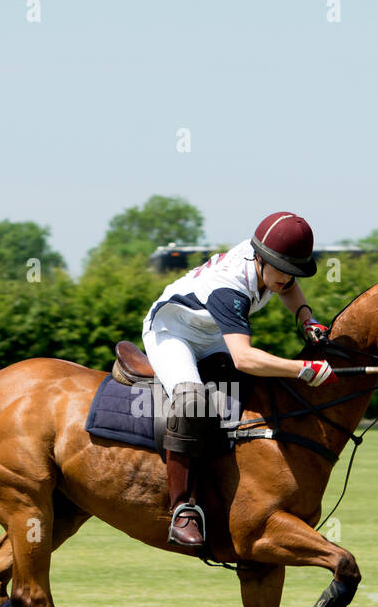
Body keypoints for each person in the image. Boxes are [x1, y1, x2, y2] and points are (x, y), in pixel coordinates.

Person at [142, 211, 335, 547]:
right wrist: (303, 369)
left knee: (246, 396)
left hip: (210, 330)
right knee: (192, 402)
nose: (287, 281)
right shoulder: (231, 286)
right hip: (172, 331)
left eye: (295, 273)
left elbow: (289, 287)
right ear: (259, 258)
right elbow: (244, 358)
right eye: (283, 271)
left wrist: (307, 319)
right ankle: (182, 510)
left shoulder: (272, 266)